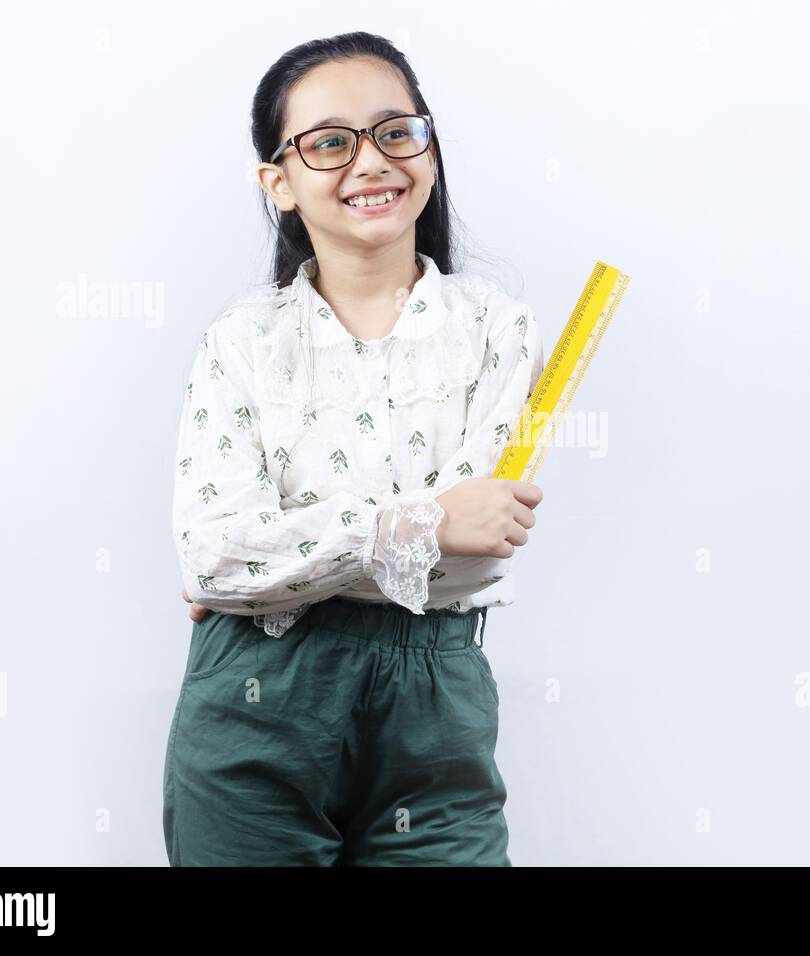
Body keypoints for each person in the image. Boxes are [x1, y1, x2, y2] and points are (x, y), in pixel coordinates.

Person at [162, 31, 545, 866]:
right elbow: (211, 558)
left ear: (430, 153)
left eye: (396, 132)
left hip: (436, 704)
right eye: (330, 143)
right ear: (280, 182)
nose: (371, 162)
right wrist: (422, 523)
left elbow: (476, 556)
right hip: (253, 700)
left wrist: (287, 554)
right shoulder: (243, 341)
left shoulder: (497, 332)